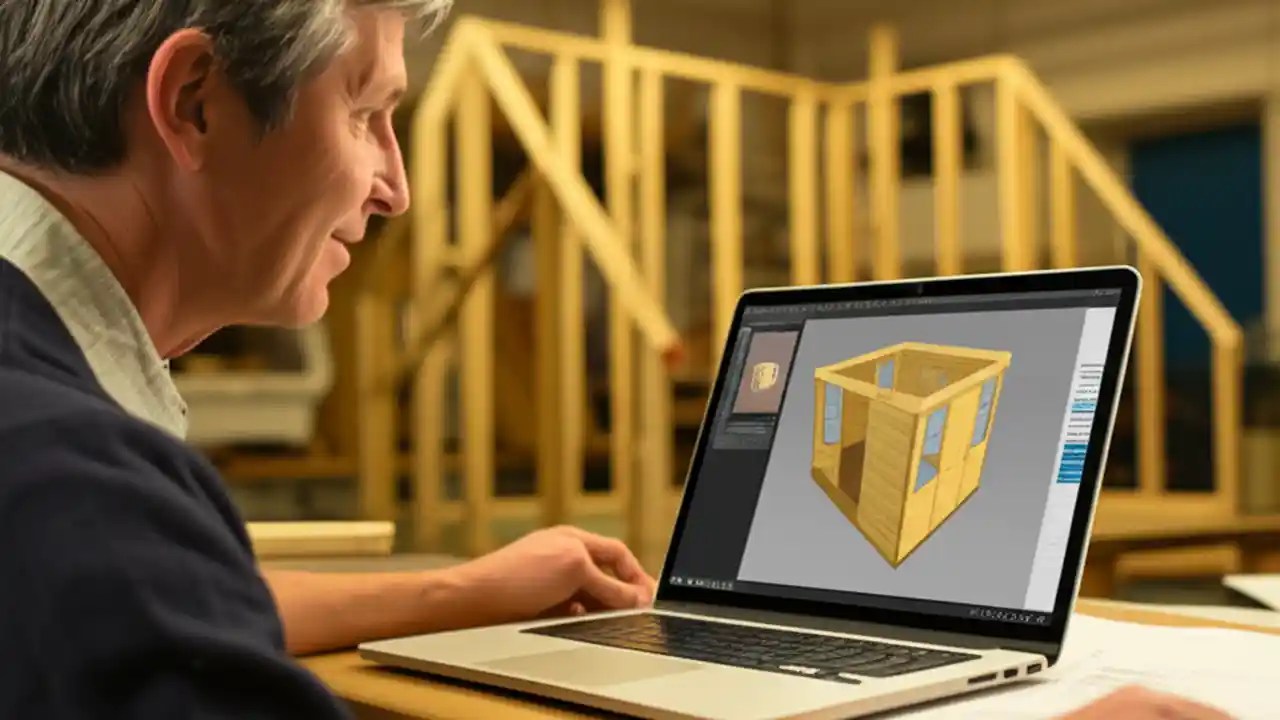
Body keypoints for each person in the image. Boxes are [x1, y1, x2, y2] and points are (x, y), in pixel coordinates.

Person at [0, 2, 1233, 719]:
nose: (398, 187)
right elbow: (113, 571)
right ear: (196, 100)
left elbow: (162, 604)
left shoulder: (74, 492)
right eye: (369, 111)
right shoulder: (69, 480)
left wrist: (452, 592)